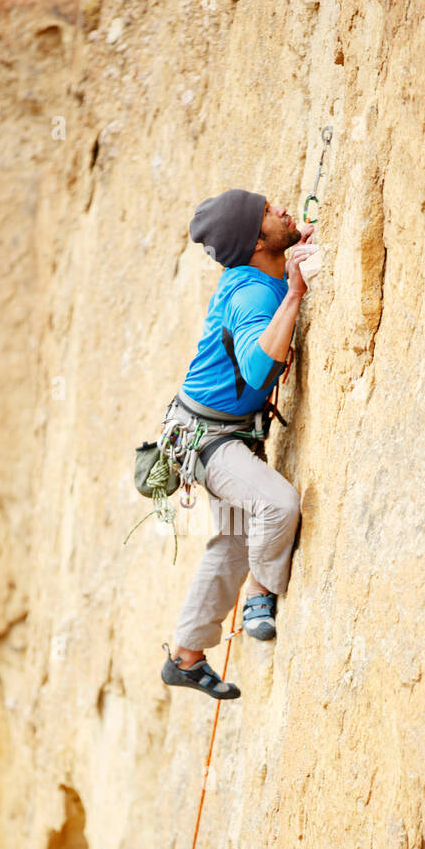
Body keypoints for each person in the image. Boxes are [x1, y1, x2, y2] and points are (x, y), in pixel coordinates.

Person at [161, 187, 312, 701]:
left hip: (202, 431)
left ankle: (185, 657)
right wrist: (294, 294)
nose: (283, 209)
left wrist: (291, 255)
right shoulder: (253, 294)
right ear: (255, 242)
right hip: (212, 442)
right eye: (270, 212)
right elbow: (255, 367)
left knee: (232, 542)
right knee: (276, 504)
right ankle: (259, 597)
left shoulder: (255, 273)